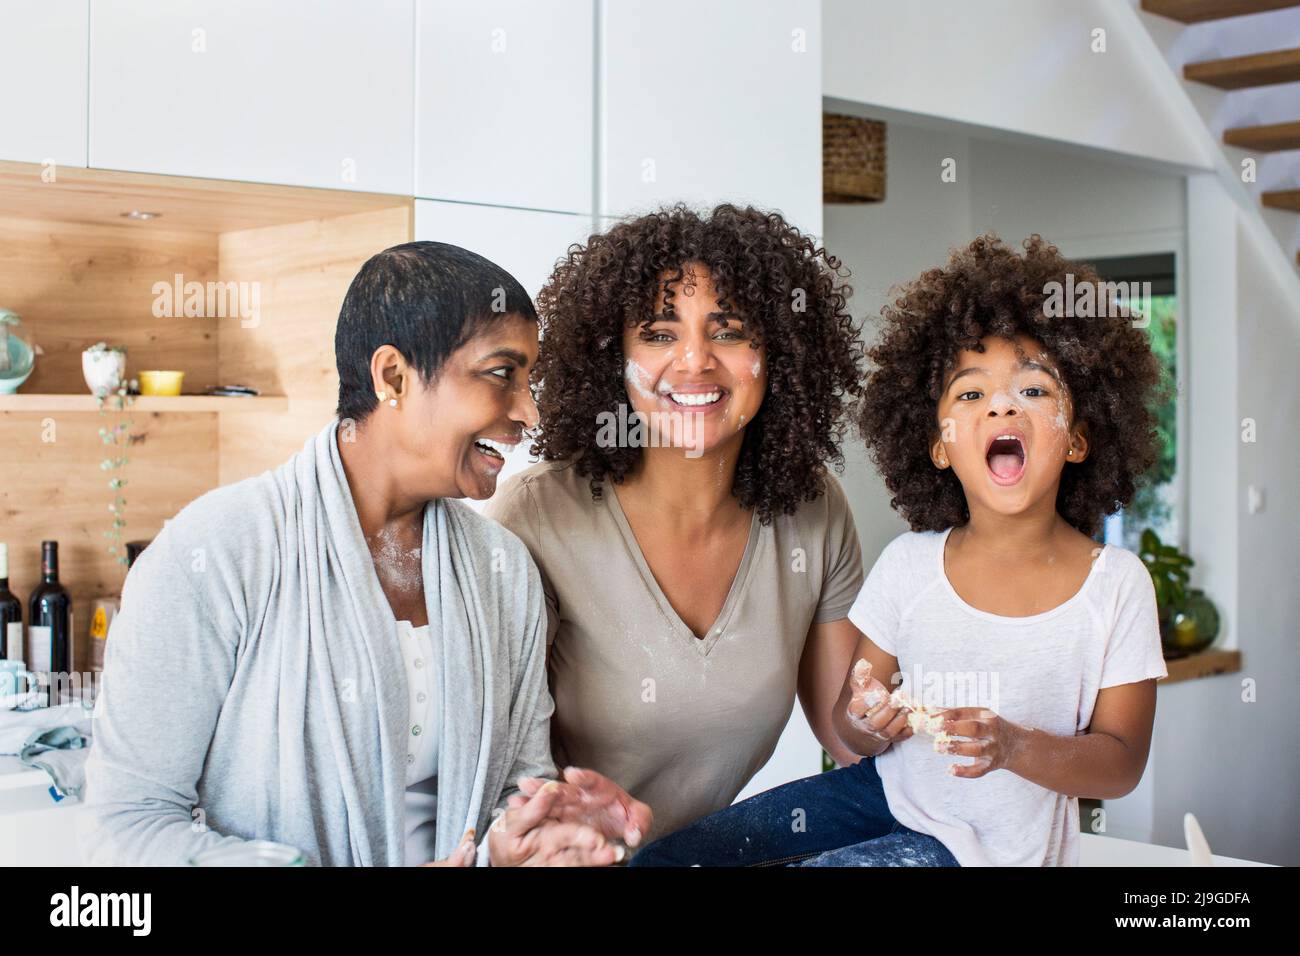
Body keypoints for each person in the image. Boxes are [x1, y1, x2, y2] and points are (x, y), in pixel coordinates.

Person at [81, 241, 650, 866]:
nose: (528, 411)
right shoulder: (217, 553)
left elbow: (515, 791)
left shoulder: (503, 571)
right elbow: (125, 826)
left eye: (529, 380)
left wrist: (530, 837)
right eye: (500, 373)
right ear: (393, 377)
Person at [630, 234, 1167, 866]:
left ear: (1077, 439)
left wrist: (1015, 747)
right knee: (666, 861)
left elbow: (1120, 764)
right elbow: (851, 721)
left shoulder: (1115, 584)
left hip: (983, 850)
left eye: (1034, 391)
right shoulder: (910, 564)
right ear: (938, 446)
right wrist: (868, 718)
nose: (1000, 405)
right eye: (970, 395)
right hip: (879, 793)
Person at [487, 204, 868, 843]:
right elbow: (490, 770)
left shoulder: (813, 508)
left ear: (779, 354)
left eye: (730, 330)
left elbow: (849, 732)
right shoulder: (534, 517)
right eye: (660, 334)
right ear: (613, 357)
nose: (694, 361)